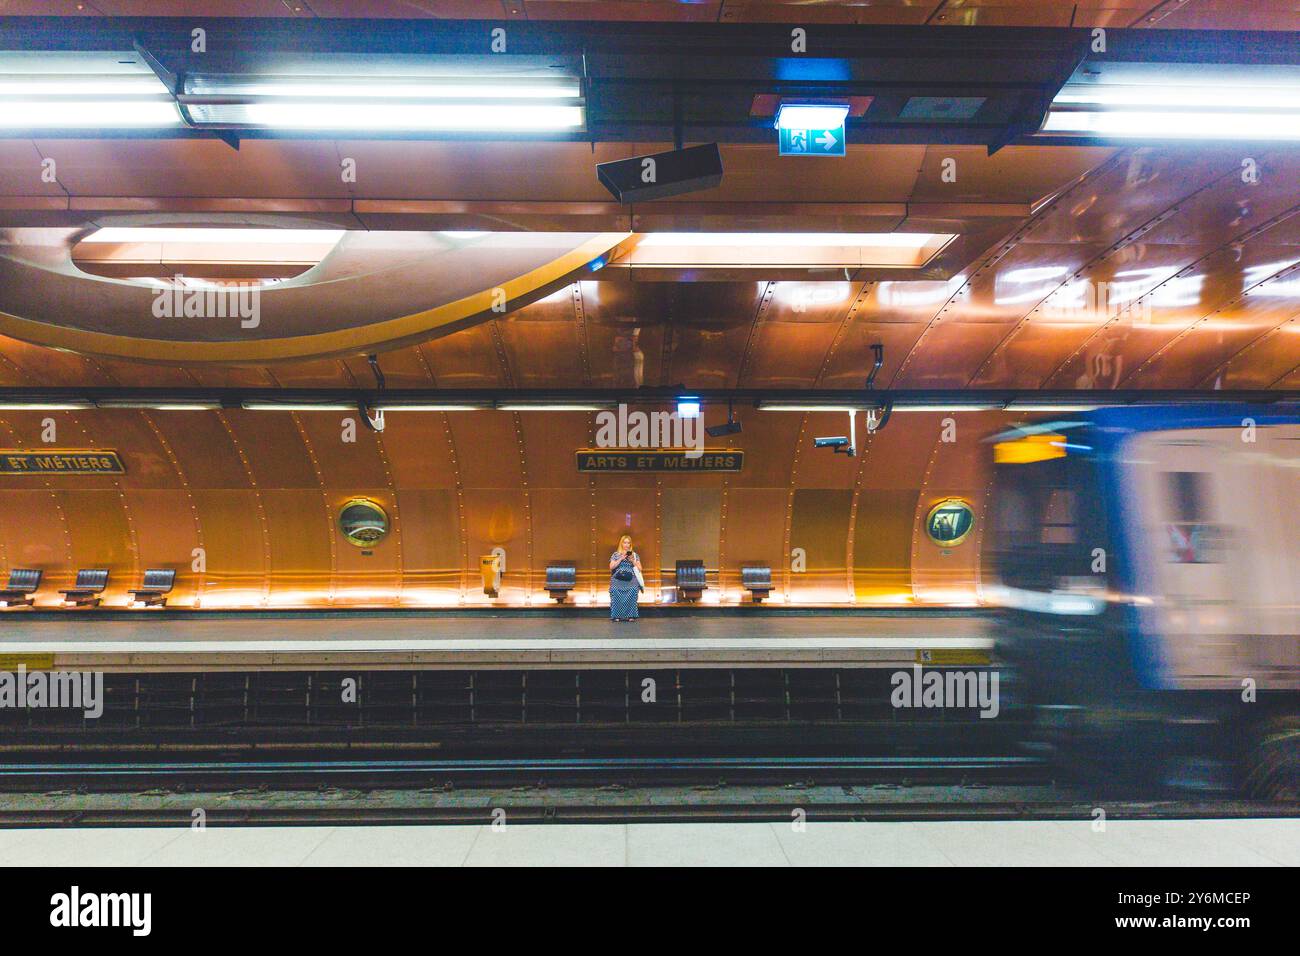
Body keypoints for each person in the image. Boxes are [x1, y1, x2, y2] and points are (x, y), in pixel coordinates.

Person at [608, 534, 643, 622]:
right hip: (618, 577)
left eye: (628, 543)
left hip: (631, 578)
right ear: (621, 544)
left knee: (633, 589)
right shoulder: (616, 554)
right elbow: (611, 567)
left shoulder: (634, 555)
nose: (626, 545)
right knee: (615, 589)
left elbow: (640, 569)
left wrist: (633, 561)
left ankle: (631, 615)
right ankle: (616, 615)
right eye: (625, 543)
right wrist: (620, 559)